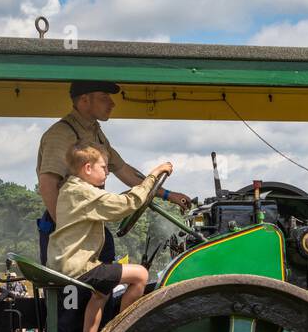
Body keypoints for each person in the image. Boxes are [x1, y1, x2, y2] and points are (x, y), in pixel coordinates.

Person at [35, 80, 192, 264]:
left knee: (107, 252)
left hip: (88, 220)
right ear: (84, 100)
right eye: (104, 98)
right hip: (69, 227)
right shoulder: (61, 134)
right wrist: (67, 230)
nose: (112, 103)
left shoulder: (95, 133)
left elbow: (124, 170)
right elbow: (47, 184)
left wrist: (167, 194)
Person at [47, 143, 170, 332]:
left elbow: (118, 202)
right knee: (140, 275)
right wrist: (154, 175)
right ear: (88, 168)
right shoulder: (84, 193)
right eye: (104, 168)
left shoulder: (71, 188)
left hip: (67, 265)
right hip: (77, 267)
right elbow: (128, 204)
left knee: (101, 293)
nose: (107, 173)